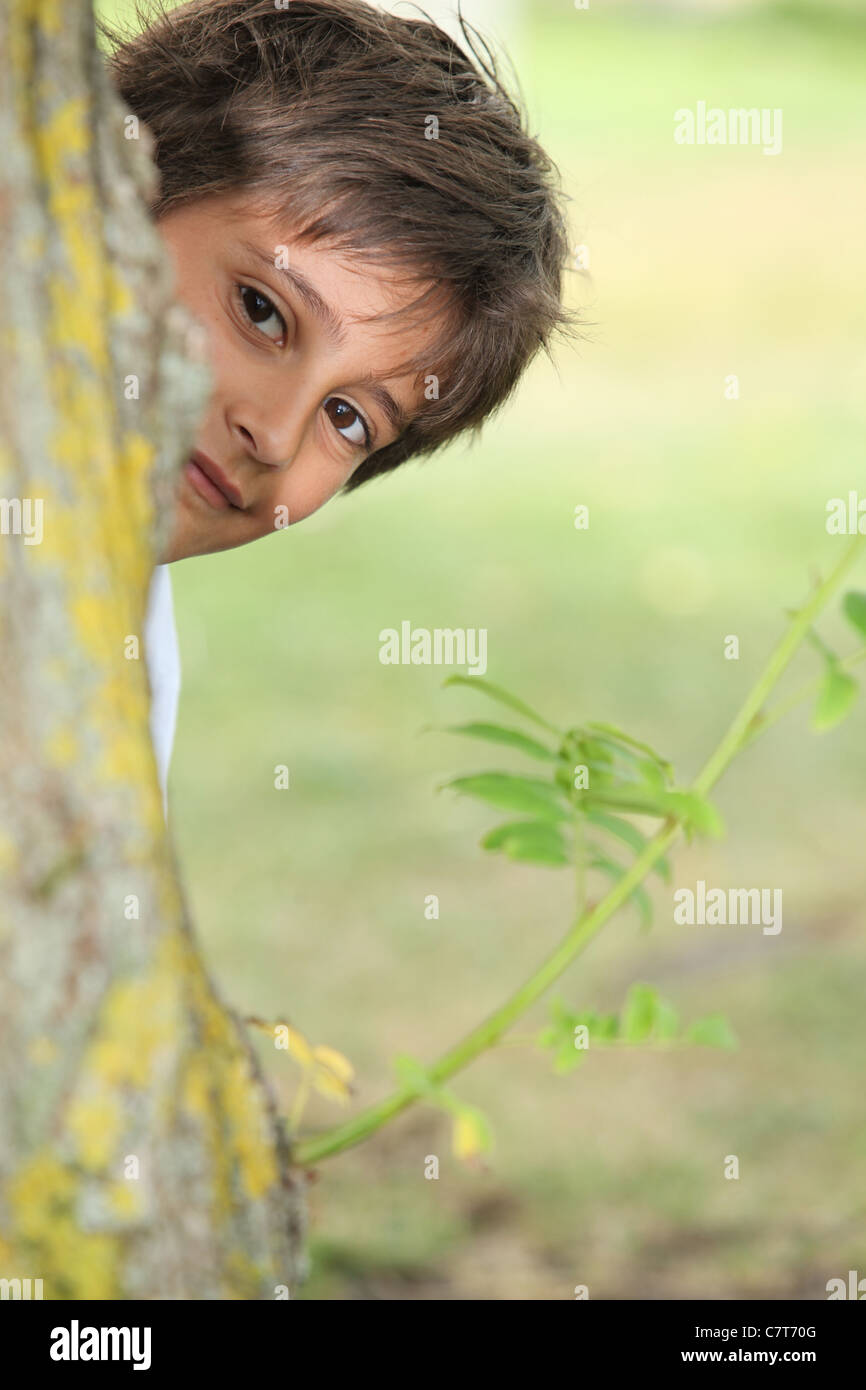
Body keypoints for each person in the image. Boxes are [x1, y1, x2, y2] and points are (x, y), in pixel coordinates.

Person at [102, 0, 576, 811]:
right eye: (261, 312)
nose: (276, 433)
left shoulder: (125, 665)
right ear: (103, 204)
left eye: (349, 419)